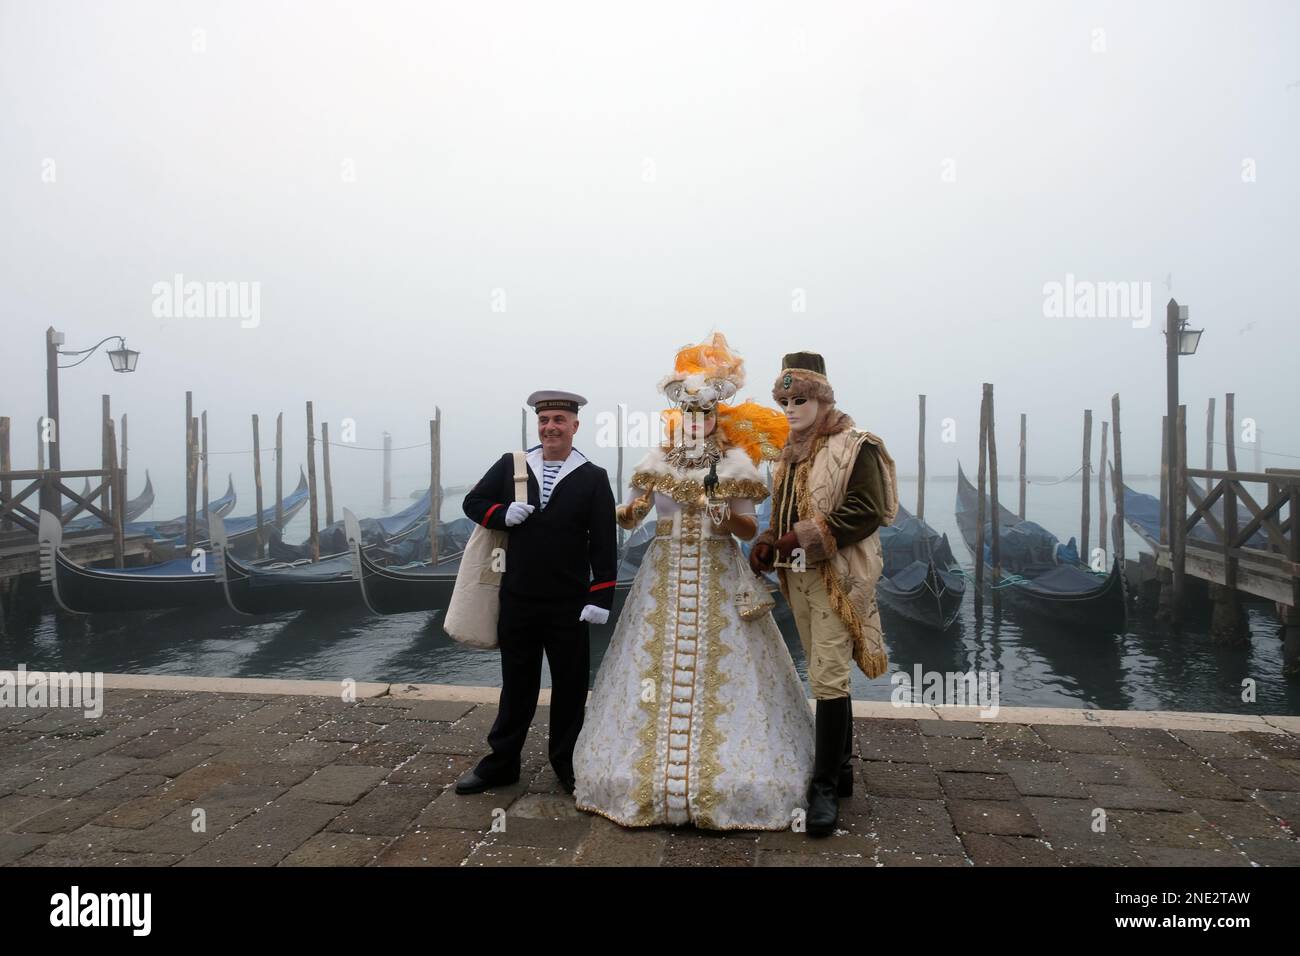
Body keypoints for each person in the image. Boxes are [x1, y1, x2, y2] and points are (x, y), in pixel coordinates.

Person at [573, 333, 815, 830]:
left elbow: (748, 528)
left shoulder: (734, 464)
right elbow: (634, 516)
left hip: (718, 572)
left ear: (716, 417)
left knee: (728, 671)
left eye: (704, 415)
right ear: (678, 418)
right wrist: (613, 510)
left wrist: (727, 517)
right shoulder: (655, 463)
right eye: (689, 415)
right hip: (662, 573)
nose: (696, 423)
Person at [749, 351, 899, 837]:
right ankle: (845, 767)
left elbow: (869, 510)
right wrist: (771, 541)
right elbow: (783, 510)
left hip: (839, 573)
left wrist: (804, 536)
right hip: (797, 577)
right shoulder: (788, 453)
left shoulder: (859, 446)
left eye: (800, 399)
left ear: (823, 398)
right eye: (784, 400)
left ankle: (824, 788)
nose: (790, 408)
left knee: (829, 674)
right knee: (821, 667)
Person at [455, 390, 618, 796]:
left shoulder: (592, 477)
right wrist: (500, 514)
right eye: (544, 421)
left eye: (559, 421)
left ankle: (566, 762)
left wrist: (600, 598)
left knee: (570, 687)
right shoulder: (513, 466)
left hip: (569, 604)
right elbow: (472, 501)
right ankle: (502, 762)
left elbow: (603, 542)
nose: (550, 428)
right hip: (518, 599)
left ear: (575, 426)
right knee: (517, 685)